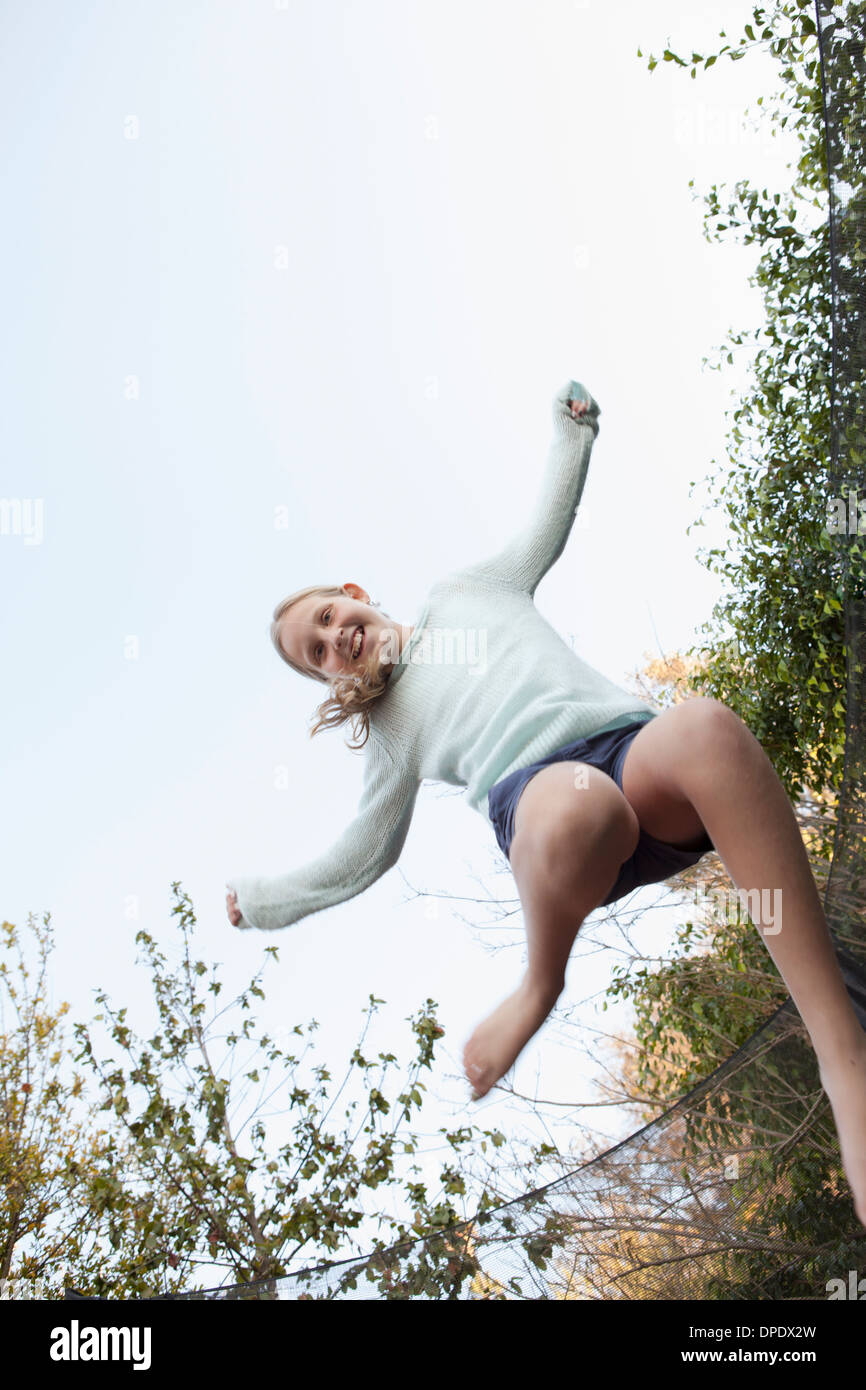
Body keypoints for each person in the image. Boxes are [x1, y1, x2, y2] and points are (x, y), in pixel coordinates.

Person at [226, 380, 866, 1228]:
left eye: (329, 617)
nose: (334, 638)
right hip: (547, 813)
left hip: (634, 758)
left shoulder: (462, 593)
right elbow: (362, 852)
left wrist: (573, 435)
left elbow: (540, 534)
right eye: (317, 654)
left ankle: (838, 1043)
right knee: (576, 803)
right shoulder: (391, 733)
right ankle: (539, 980)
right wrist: (268, 901)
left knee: (706, 725)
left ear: (352, 590)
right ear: (330, 679)